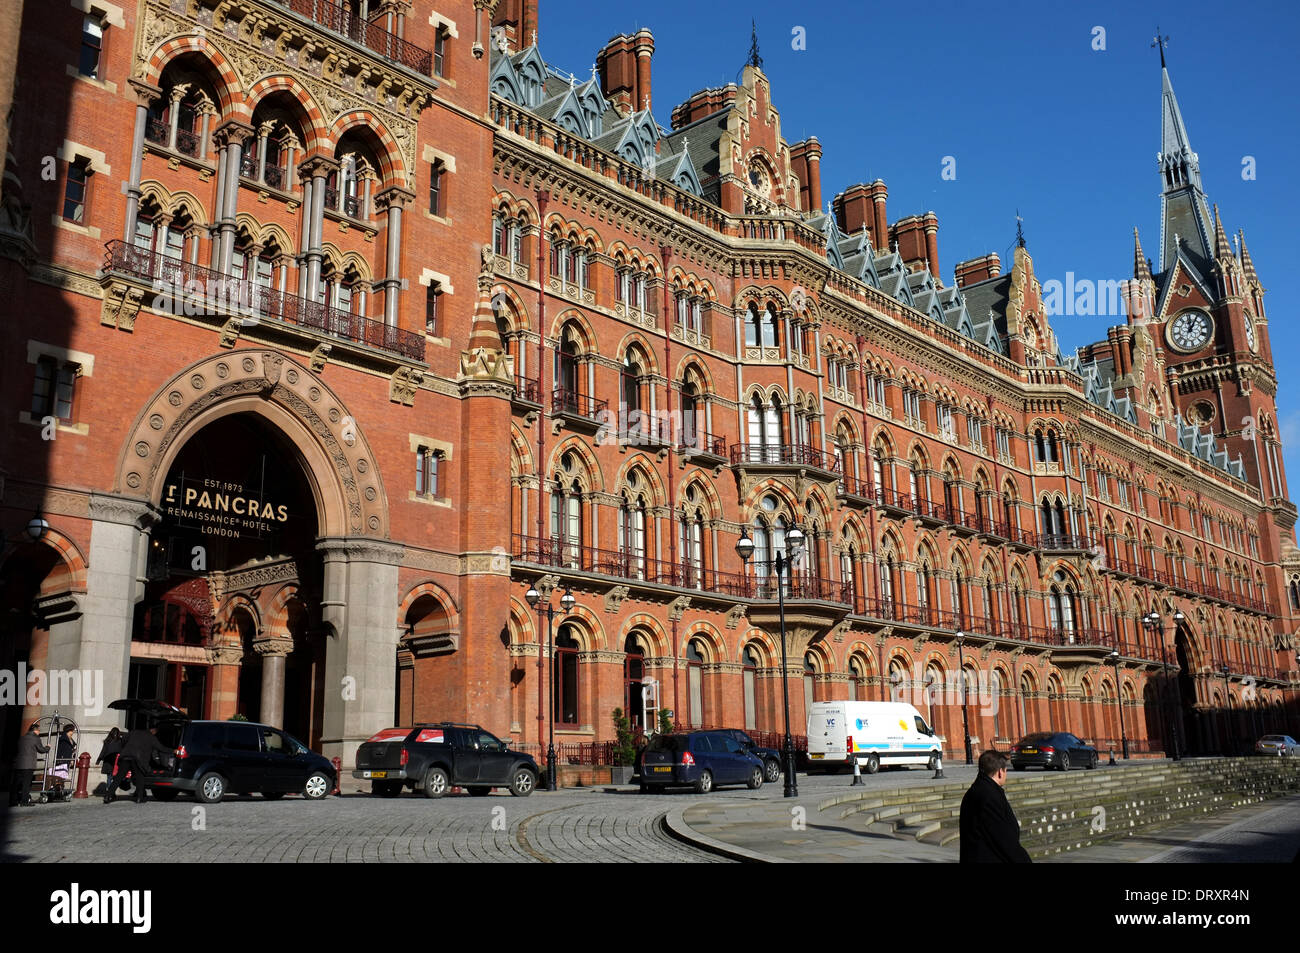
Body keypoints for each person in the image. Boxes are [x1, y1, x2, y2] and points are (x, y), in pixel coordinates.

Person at [959, 749, 1032, 863]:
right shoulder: (989, 796)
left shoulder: (975, 791)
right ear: (1000, 772)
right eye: (1005, 771)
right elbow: (1003, 838)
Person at [104, 725, 173, 804]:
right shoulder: (151, 737)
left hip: (126, 756)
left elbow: (123, 739)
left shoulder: (133, 732)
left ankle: (108, 796)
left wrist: (127, 748)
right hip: (138, 759)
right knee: (140, 777)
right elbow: (161, 748)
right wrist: (174, 751)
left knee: (118, 778)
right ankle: (139, 798)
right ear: (154, 731)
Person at [9, 723, 48, 807]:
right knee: (26, 784)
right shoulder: (36, 738)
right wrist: (48, 747)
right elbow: (41, 750)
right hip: (28, 764)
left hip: (18, 764)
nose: (39, 732)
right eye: (39, 730)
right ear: (35, 730)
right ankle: (24, 801)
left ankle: (12, 801)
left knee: (15, 784)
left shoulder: (22, 738)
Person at [96, 727, 122, 795]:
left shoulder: (109, 741)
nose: (115, 735)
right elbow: (103, 751)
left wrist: (99, 760)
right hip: (113, 761)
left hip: (113, 761)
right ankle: (110, 791)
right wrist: (99, 760)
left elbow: (103, 751)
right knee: (111, 777)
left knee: (111, 777)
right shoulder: (118, 741)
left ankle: (109, 791)